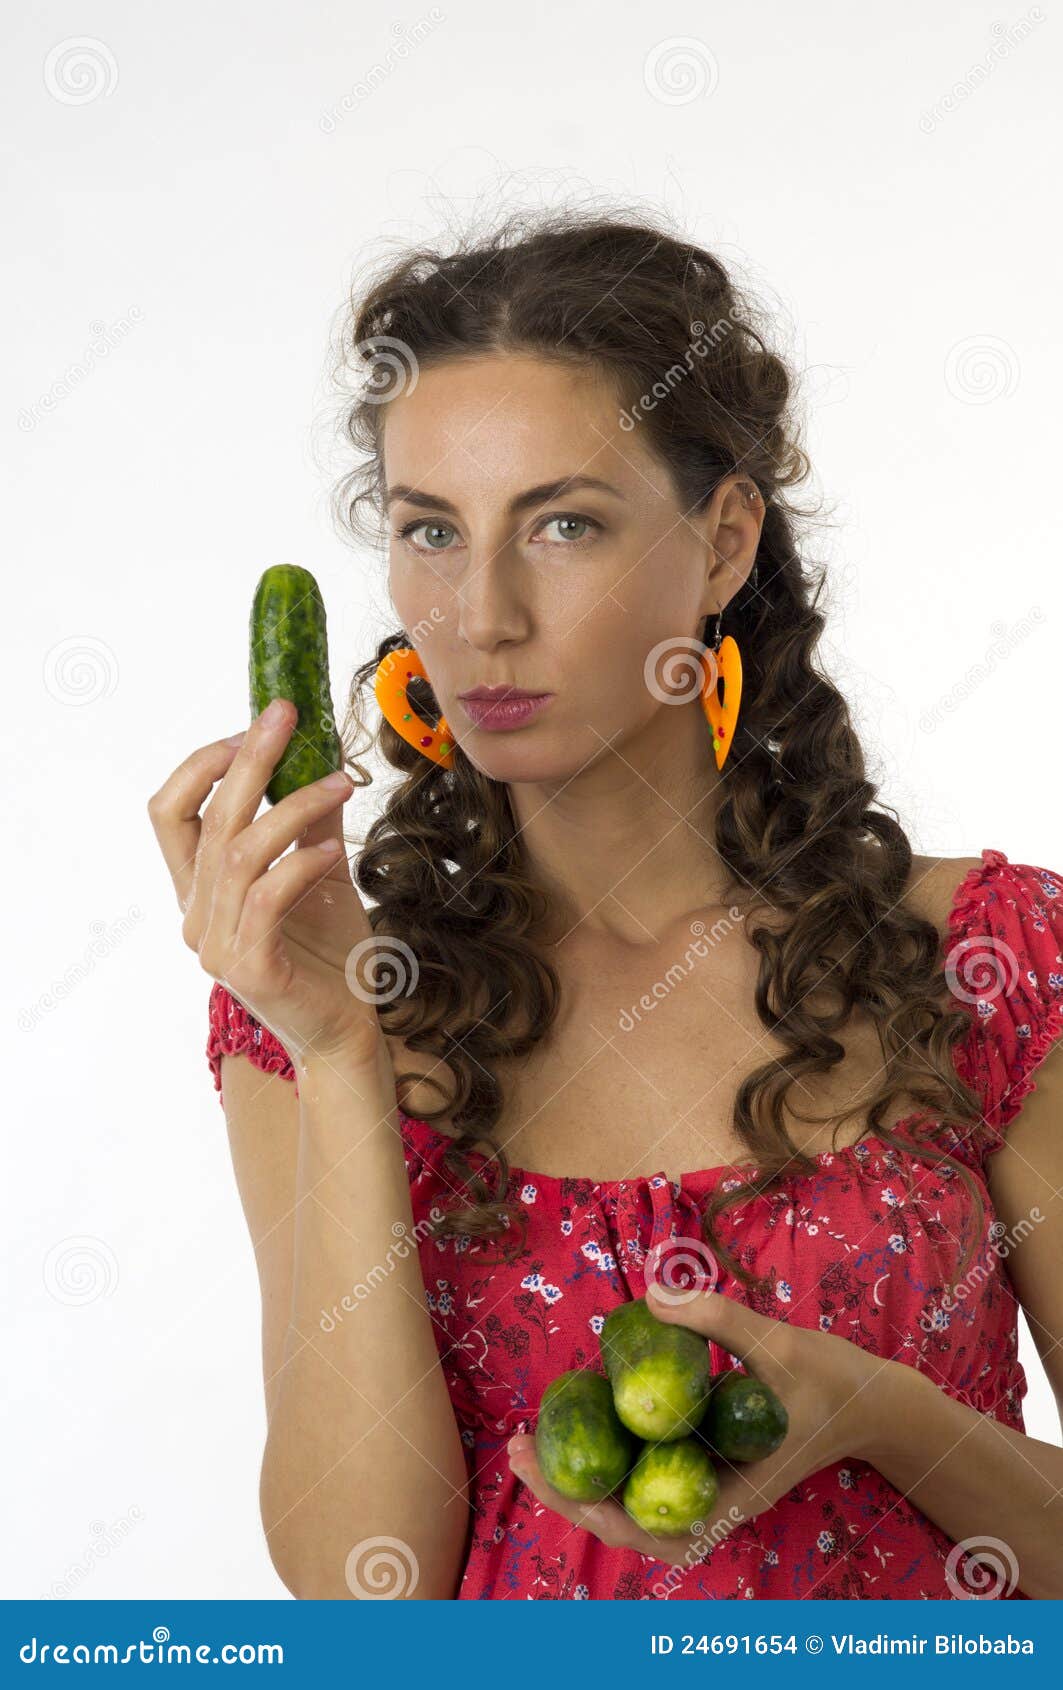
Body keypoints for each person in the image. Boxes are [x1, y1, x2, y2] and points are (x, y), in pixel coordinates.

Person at [147, 207, 1063, 1600]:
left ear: (724, 542)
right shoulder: (314, 999)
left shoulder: (991, 959)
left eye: (564, 525)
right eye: (431, 531)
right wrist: (337, 1053)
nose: (482, 616)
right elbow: (363, 1600)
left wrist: (884, 1416)